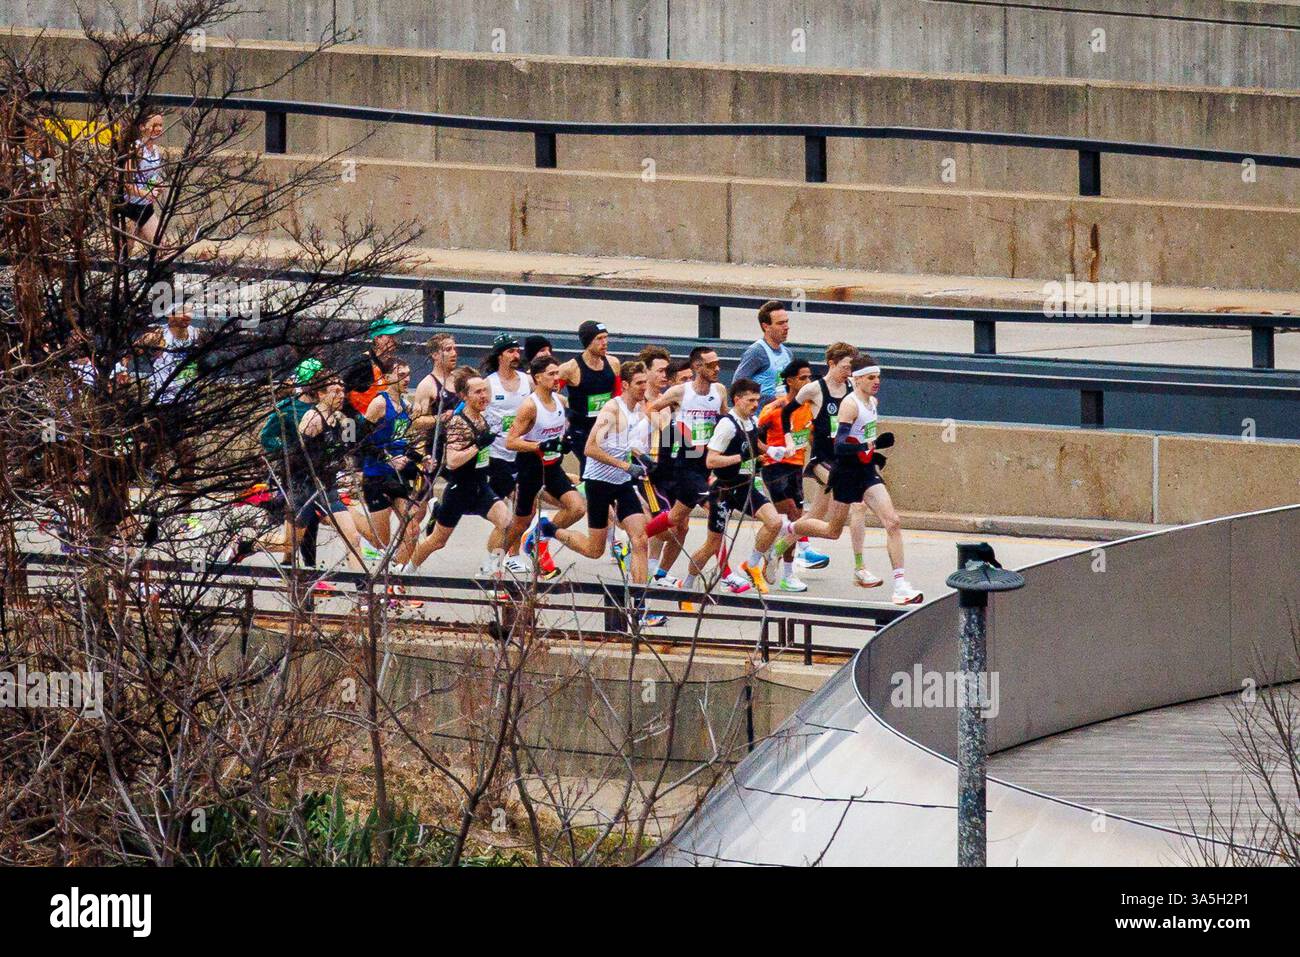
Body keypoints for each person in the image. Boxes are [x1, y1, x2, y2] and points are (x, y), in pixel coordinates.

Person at [776, 356, 923, 605]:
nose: (876, 382)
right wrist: (867, 444)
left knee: (893, 522)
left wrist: (872, 447)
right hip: (844, 471)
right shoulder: (850, 405)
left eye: (878, 377)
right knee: (832, 531)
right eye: (870, 377)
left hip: (866, 470)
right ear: (857, 379)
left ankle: (900, 585)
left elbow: (864, 436)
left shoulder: (873, 402)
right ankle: (790, 530)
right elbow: (841, 443)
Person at [534, 361, 666, 627]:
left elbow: (625, 443)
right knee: (595, 550)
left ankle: (639, 607)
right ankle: (549, 530)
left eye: (645, 382)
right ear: (626, 385)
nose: (644, 388)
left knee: (639, 540)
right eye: (639, 383)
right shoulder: (612, 409)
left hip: (622, 483)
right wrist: (625, 465)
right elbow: (591, 449)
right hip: (599, 483)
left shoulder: (638, 409)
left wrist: (641, 459)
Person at [404, 370, 513, 573]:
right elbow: (453, 461)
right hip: (459, 490)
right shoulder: (458, 423)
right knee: (437, 541)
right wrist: (477, 446)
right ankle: (406, 571)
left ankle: (488, 569)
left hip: (480, 487)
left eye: (485, 391)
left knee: (506, 522)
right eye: (477, 392)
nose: (484, 396)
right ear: (464, 396)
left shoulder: (482, 418)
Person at [643, 346, 728, 602]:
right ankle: (726, 573)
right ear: (697, 367)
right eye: (711, 365)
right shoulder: (681, 392)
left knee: (679, 520)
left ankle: (637, 542)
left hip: (707, 461)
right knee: (716, 506)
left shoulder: (719, 390)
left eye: (718, 364)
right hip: (685, 462)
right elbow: (652, 409)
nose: (717, 368)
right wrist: (673, 431)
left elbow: (724, 419)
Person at [693, 378, 789, 596]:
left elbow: (753, 444)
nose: (755, 404)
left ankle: (752, 564)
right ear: (737, 399)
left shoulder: (752, 420)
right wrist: (741, 457)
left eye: (757, 400)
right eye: (750, 400)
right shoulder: (727, 425)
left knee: (774, 523)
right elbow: (711, 461)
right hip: (724, 489)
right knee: (712, 545)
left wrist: (769, 451)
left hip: (745, 486)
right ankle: (687, 584)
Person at [791, 341, 874, 587]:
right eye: (846, 367)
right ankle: (860, 567)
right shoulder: (813, 389)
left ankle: (780, 542)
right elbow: (789, 412)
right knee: (858, 504)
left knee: (818, 515)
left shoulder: (853, 389)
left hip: (847, 458)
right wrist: (797, 437)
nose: (849, 372)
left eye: (852, 368)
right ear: (831, 364)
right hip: (822, 459)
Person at [479, 332, 557, 579]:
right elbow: (473, 410)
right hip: (498, 454)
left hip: (522, 455)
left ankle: (509, 556)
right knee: (507, 514)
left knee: (524, 511)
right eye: (511, 352)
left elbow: (546, 400)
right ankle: (497, 560)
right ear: (500, 355)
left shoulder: (527, 381)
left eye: (517, 351)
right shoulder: (489, 384)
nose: (516, 355)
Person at [285, 374, 369, 589]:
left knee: (353, 538)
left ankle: (362, 594)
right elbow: (296, 457)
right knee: (287, 544)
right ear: (321, 394)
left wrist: (351, 472)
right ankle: (246, 545)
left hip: (328, 489)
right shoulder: (312, 420)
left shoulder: (342, 419)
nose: (341, 395)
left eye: (343, 391)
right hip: (306, 489)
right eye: (335, 391)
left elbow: (349, 451)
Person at [503, 354, 587, 567]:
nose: (557, 379)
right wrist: (539, 446)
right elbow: (510, 442)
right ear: (538, 378)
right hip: (530, 468)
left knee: (577, 507)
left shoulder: (560, 401)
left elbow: (560, 431)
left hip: (552, 468)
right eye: (551, 374)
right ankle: (497, 559)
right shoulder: (530, 406)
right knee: (521, 520)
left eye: (558, 374)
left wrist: (565, 442)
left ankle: (539, 536)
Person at [756, 358, 829, 590]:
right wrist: (769, 451)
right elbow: (753, 437)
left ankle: (780, 569)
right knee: (794, 517)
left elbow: (812, 435)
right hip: (774, 468)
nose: (808, 382)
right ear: (790, 381)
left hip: (796, 467)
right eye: (803, 378)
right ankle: (764, 559)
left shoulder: (809, 408)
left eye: (810, 378)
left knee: (788, 522)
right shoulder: (773, 410)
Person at [358, 360, 424, 567]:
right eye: (401, 374)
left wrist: (422, 458)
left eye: (408, 374)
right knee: (381, 541)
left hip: (397, 477)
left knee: (412, 530)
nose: (407, 379)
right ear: (386, 379)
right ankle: (351, 515)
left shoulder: (406, 407)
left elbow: (401, 442)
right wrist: (387, 458)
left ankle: (396, 575)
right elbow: (361, 443)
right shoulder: (379, 404)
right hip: (376, 475)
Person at [558, 320, 620, 475]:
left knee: (606, 472)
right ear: (587, 341)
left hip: (605, 429)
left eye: (606, 337)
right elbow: (546, 392)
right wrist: (564, 406)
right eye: (599, 338)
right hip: (581, 431)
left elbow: (618, 396)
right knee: (591, 470)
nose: (605, 343)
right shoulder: (570, 368)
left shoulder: (613, 363)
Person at [120, 112, 165, 251]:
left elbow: (150, 178)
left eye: (160, 125)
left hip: (146, 208)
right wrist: (145, 193)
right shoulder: (136, 149)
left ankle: (157, 272)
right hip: (129, 207)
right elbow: (126, 184)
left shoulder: (156, 151)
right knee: (126, 250)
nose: (158, 129)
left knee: (161, 247)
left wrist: (156, 186)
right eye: (154, 125)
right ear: (142, 127)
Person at [733, 300, 793, 404]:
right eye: (780, 323)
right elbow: (737, 385)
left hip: (781, 416)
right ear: (766, 326)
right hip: (760, 416)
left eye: (786, 322)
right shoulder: (756, 352)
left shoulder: (788, 354)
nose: (786, 327)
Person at [345, 318, 405, 417]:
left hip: (383, 423)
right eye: (390, 336)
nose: (394, 340)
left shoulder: (393, 364)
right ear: (377, 339)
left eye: (394, 336)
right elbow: (343, 390)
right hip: (361, 422)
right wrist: (355, 418)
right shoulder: (362, 362)